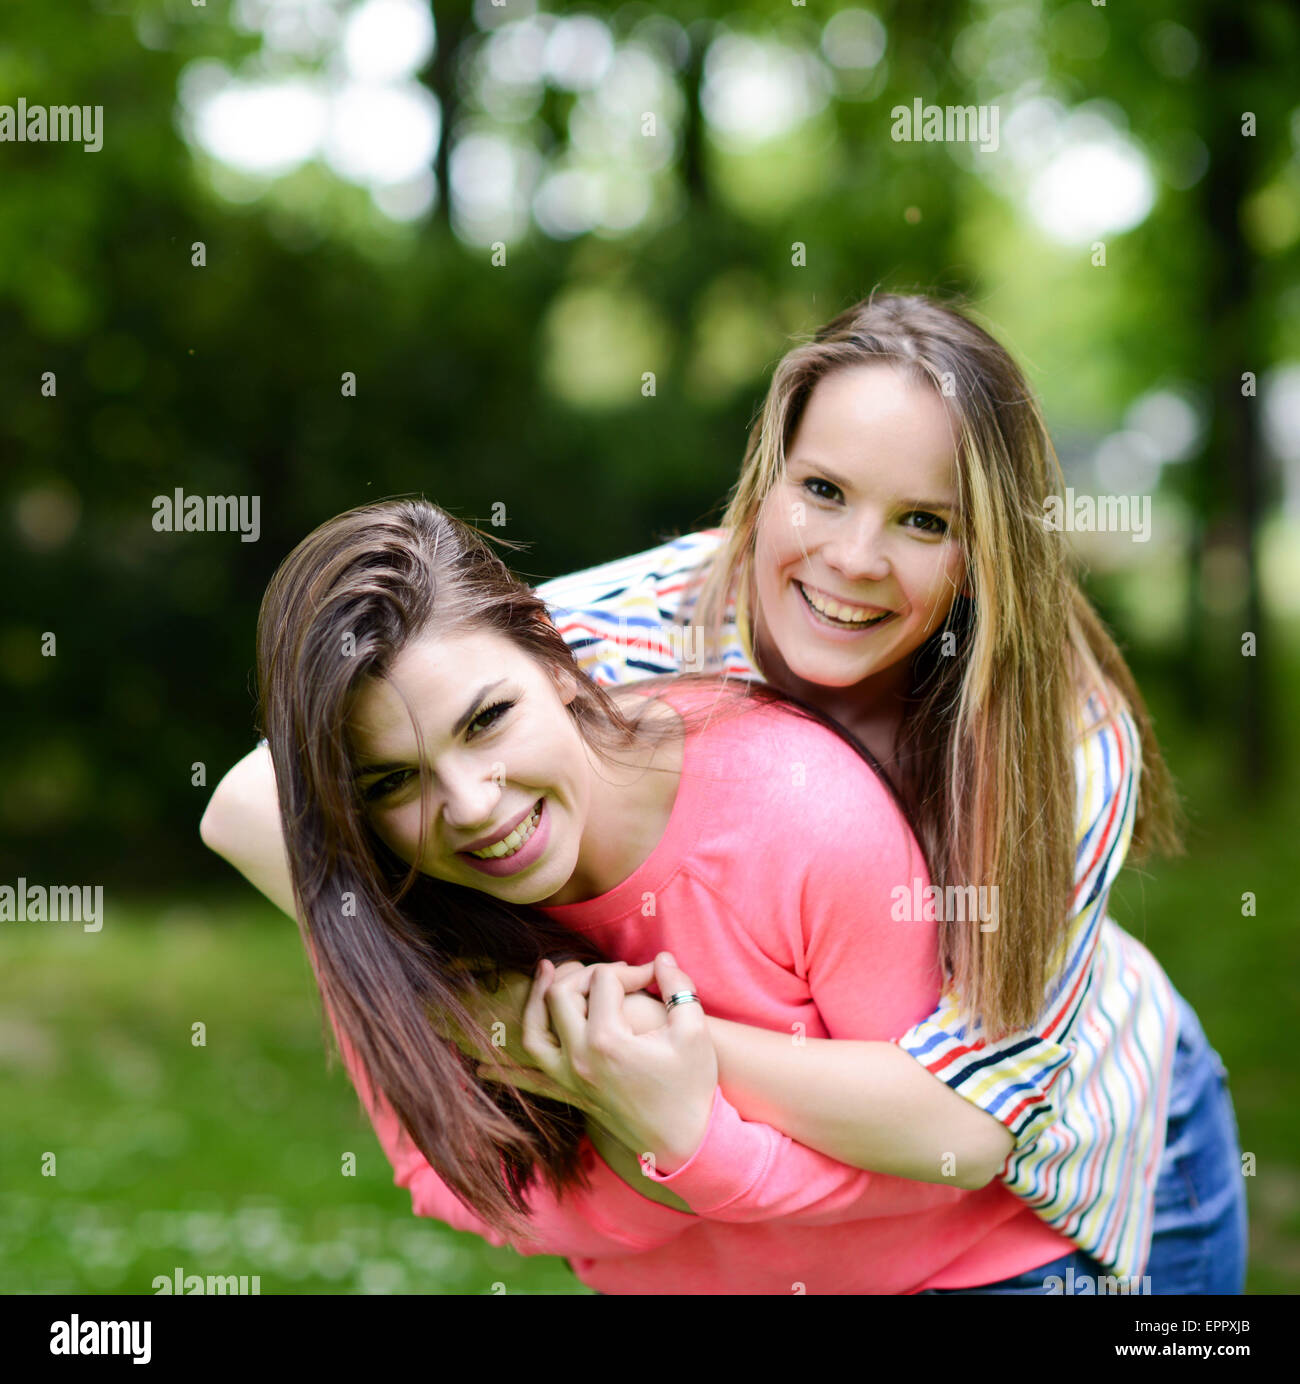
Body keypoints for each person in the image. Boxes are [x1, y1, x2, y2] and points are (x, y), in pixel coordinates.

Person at [204, 291, 1247, 1294]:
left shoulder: (1060, 742)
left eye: (924, 522)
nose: (850, 559)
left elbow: (967, 1122)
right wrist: (454, 993)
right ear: (767, 479)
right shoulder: (643, 619)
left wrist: (595, 1033)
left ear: (987, 554)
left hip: (1087, 1165)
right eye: (823, 490)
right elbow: (254, 797)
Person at [204, 495, 1088, 1295]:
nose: (473, 805)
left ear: (556, 659)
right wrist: (636, 1149)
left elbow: (945, 1154)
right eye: (395, 780)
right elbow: (444, 1175)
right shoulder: (396, 908)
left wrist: (670, 1097)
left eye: (487, 720)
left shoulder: (797, 810)